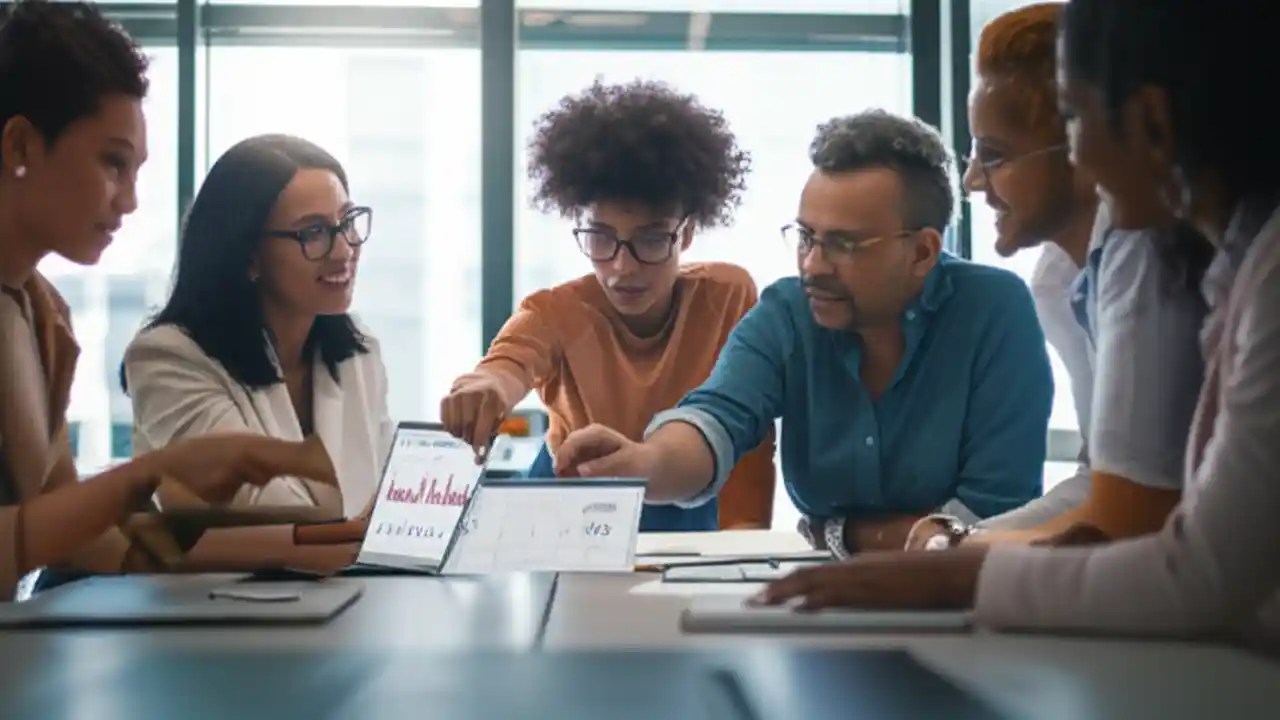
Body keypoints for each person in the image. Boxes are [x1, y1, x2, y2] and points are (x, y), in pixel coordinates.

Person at [755, 0, 1280, 643]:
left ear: (1150, 122)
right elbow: (1106, 495)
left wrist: (956, 574)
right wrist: (951, 553)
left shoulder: (1239, 271)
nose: (973, 179)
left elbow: (1194, 567)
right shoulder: (1224, 265)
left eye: (1080, 120)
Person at [556, 110, 1054, 553]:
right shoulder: (787, 311)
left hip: (968, 599)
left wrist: (847, 533)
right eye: (806, 237)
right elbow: (717, 416)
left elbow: (991, 519)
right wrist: (644, 463)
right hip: (832, 592)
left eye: (844, 244)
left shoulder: (994, 310)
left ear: (922, 252)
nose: (813, 265)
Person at [0, 0, 351, 599]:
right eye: (112, 164)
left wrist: (323, 543)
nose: (130, 201)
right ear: (21, 147)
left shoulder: (43, 318)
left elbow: (83, 537)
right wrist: (154, 474)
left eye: (136, 170)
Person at [909, 1, 1208, 547]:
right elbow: (1102, 482)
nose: (973, 181)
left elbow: (1132, 516)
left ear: (1079, 143)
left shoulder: (1143, 254)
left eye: (992, 154)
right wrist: (960, 538)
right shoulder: (1055, 280)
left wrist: (956, 556)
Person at [440, 79, 775, 531]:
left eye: (651, 239)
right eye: (600, 237)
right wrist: (484, 388)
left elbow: (749, 428)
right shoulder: (552, 312)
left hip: (685, 493)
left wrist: (746, 531)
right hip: (572, 493)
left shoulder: (727, 294)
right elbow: (508, 363)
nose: (622, 267)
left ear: (688, 232)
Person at [125, 134, 390, 519]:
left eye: (347, 221)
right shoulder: (168, 358)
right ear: (248, 256)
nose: (344, 250)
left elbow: (387, 502)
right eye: (313, 233)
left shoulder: (359, 353)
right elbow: (259, 509)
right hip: (222, 580)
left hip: (349, 579)